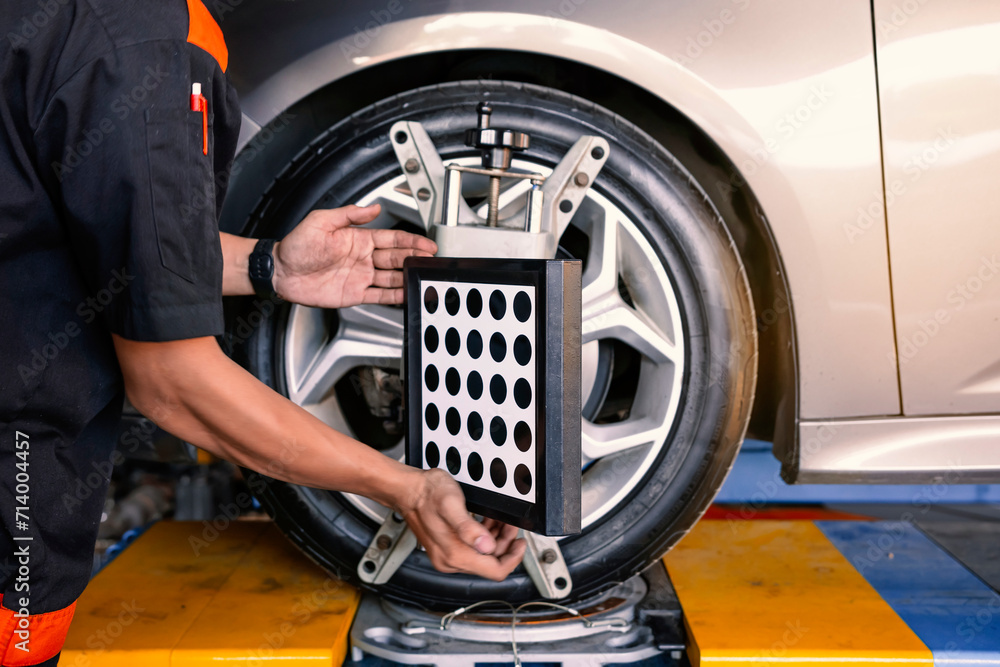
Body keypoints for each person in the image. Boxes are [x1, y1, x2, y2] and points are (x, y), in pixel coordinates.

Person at [0, 0, 525, 664]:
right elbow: (176, 384)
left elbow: (87, 234)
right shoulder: (144, 44)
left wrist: (269, 265)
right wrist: (405, 487)